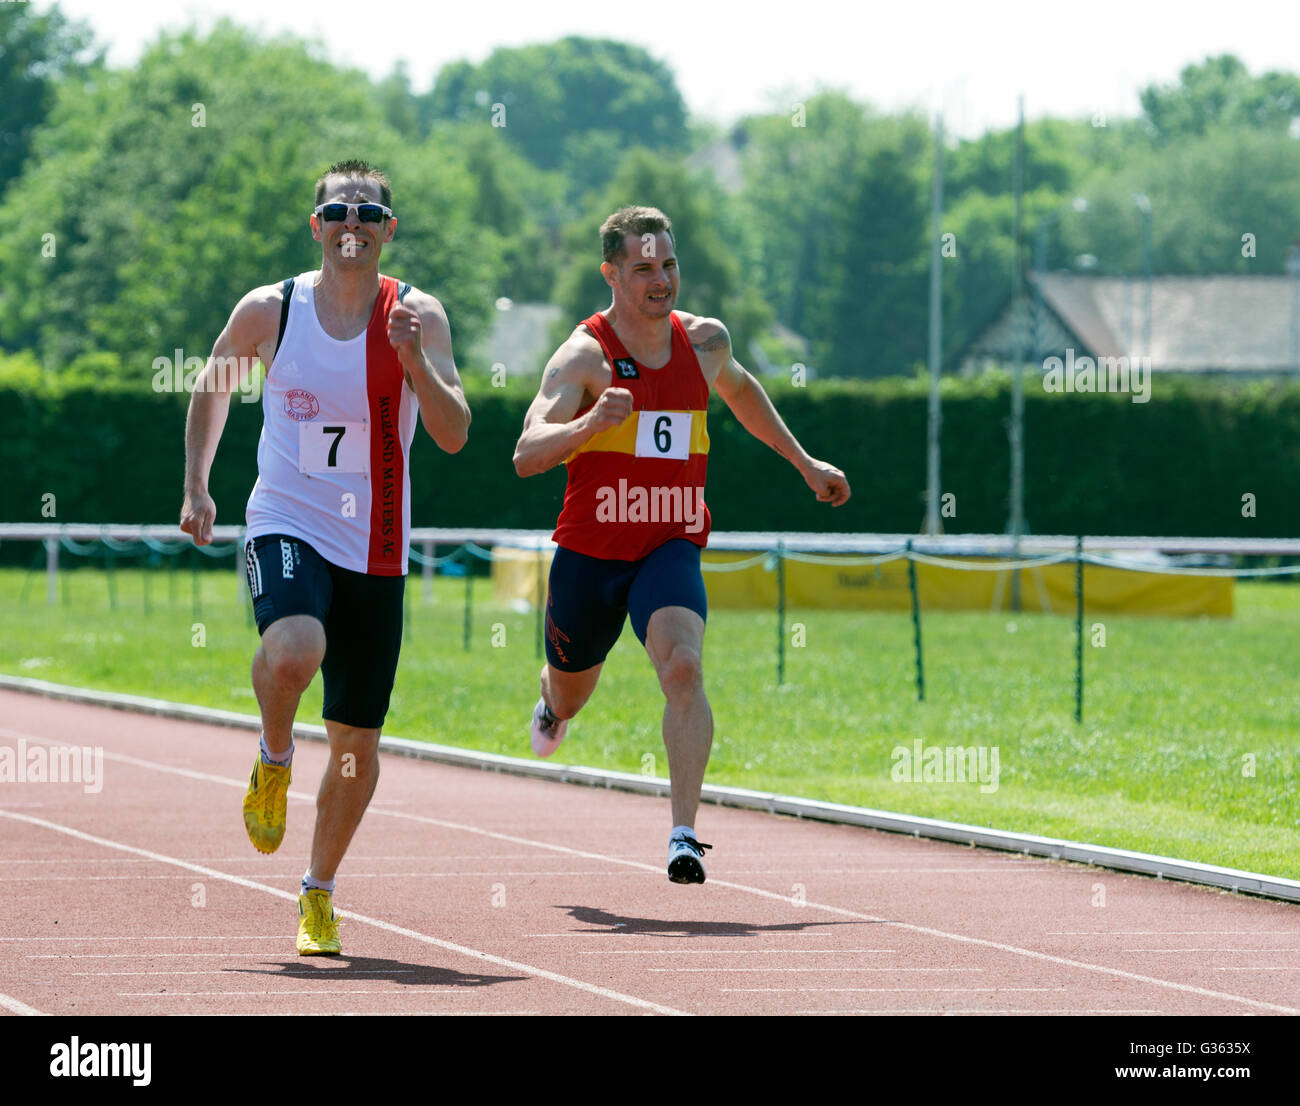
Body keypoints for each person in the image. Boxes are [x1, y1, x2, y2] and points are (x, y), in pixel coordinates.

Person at [180, 159, 470, 953]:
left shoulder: (416, 314)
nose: (353, 225)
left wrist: (413, 360)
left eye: (369, 215)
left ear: (388, 229)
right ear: (316, 227)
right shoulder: (272, 310)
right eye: (338, 212)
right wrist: (198, 486)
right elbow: (211, 387)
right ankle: (274, 756)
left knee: (355, 750)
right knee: (294, 647)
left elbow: (452, 432)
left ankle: (318, 893)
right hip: (287, 519)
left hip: (375, 544)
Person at [513, 205, 850, 884]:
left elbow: (746, 395)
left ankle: (683, 835)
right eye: (644, 269)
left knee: (684, 668)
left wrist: (806, 464)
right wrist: (587, 427)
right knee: (573, 694)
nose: (661, 280)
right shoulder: (585, 354)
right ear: (611, 273)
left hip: (669, 542)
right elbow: (525, 453)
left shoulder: (706, 343)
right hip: (591, 552)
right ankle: (552, 702)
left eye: (668, 265)